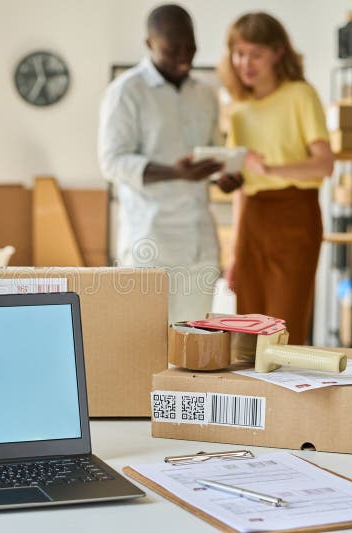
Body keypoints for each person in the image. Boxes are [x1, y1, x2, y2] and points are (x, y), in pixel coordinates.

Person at [98, 3, 242, 323]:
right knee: (145, 344)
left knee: (194, 342)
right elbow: (111, 162)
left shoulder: (204, 94)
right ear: (149, 44)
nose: (183, 59)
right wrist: (173, 172)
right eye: (172, 50)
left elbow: (213, 153)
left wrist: (223, 176)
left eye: (190, 49)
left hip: (198, 243)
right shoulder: (126, 92)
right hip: (150, 242)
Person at [219, 12, 334, 345]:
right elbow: (241, 188)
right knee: (247, 328)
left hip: (295, 216)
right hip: (253, 219)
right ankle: (255, 399)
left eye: (256, 54)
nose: (245, 63)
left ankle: (288, 395)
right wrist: (235, 254)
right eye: (239, 53)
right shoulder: (239, 112)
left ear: (278, 53)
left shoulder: (300, 95)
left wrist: (270, 169)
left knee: (285, 325)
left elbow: (324, 164)